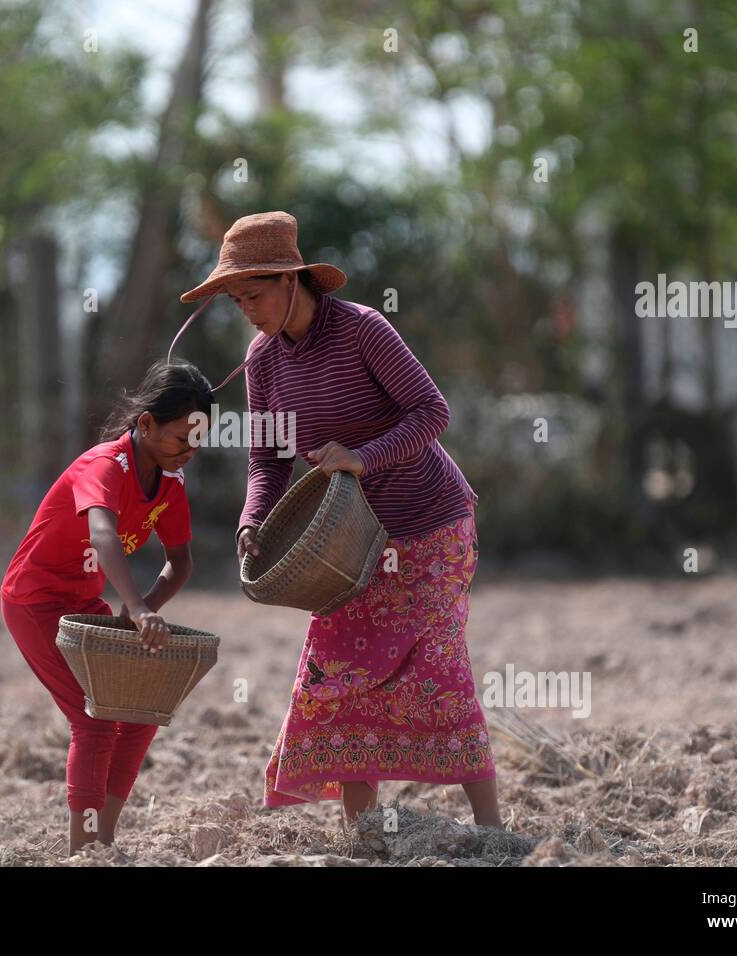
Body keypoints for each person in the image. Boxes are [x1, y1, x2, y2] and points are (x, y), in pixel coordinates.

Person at [179, 210, 502, 828]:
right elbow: (268, 459)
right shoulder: (263, 360)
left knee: (437, 668)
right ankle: (364, 835)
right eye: (235, 299)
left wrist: (363, 457)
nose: (246, 308)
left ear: (291, 279)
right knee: (340, 674)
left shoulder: (362, 330)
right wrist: (253, 520)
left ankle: (492, 834)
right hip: (348, 544)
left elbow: (432, 412)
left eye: (253, 293)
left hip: (429, 524)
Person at [0, 360, 212, 854]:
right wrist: (136, 610)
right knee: (93, 720)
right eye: (182, 438)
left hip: (84, 602)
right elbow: (103, 534)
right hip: (34, 600)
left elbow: (180, 563)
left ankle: (102, 842)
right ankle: (83, 853)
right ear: (146, 425)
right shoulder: (104, 466)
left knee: (139, 710)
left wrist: (138, 608)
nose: (191, 451)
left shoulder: (171, 485)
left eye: (199, 440)